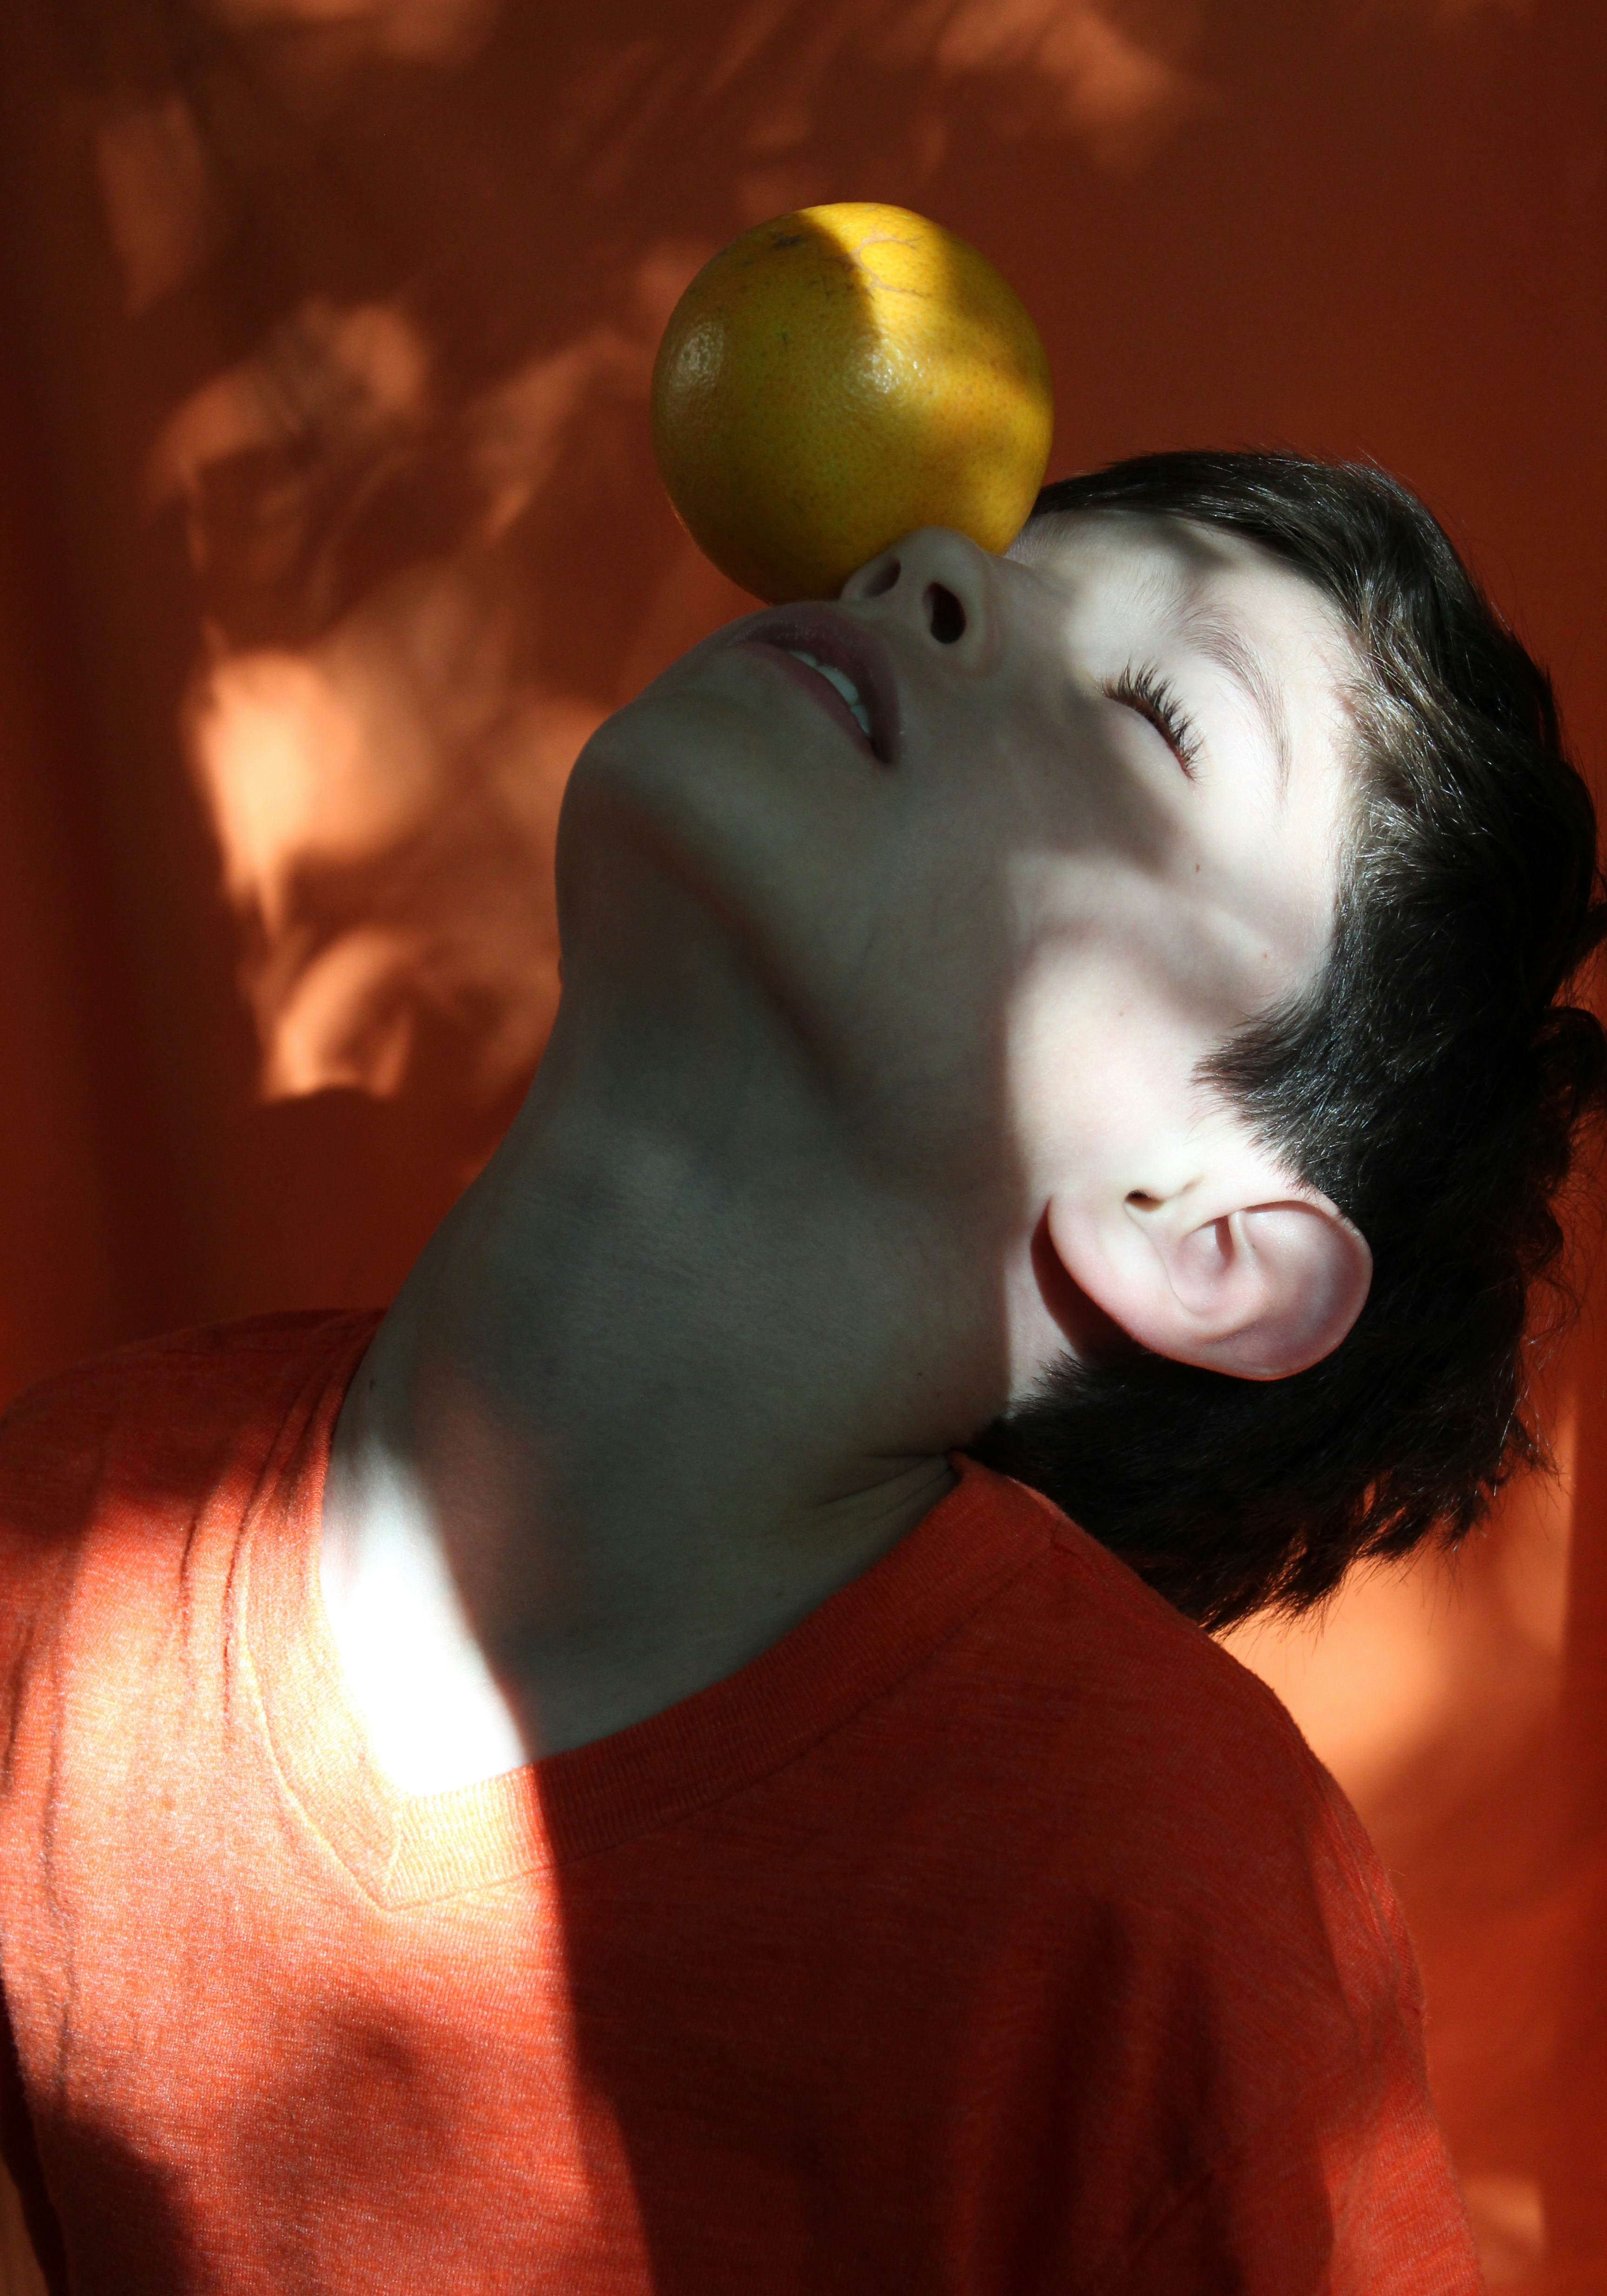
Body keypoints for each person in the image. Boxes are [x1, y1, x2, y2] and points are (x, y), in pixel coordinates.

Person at [1, 452, 1600, 2293]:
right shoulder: (60, 1532)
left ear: (1201, 1233)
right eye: (987, 552)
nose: (927, 561)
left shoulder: (1152, 1908)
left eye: (1161, 718)